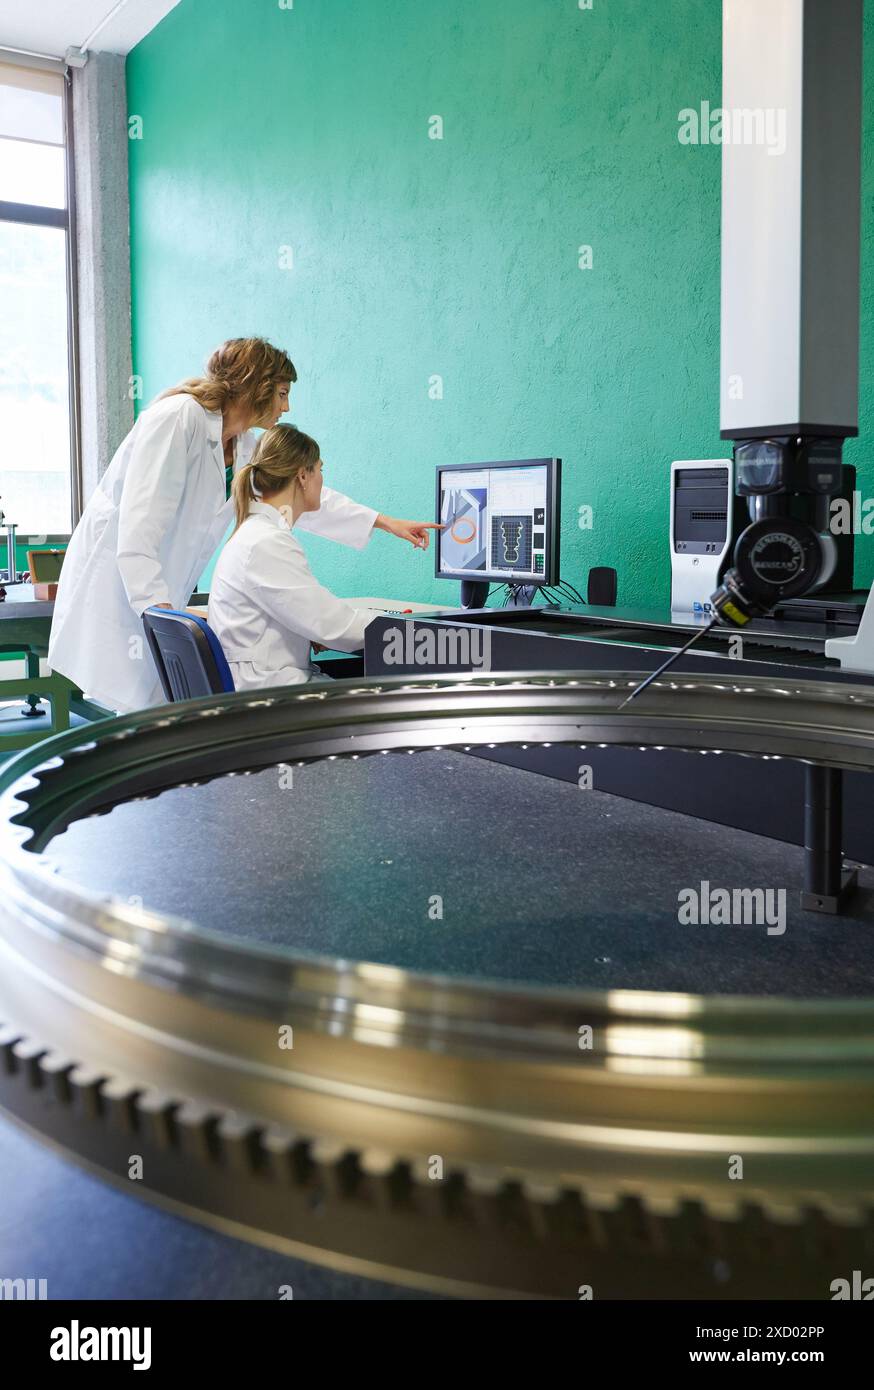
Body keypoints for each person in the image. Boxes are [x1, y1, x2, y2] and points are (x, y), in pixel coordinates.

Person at [48, 337, 438, 712]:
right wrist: (166, 618)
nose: (286, 407)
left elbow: (295, 489)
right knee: (140, 708)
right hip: (123, 587)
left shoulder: (244, 443)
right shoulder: (178, 417)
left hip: (161, 592)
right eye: (283, 393)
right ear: (257, 388)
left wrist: (383, 522)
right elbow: (139, 527)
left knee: (150, 713)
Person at [208, 424, 383, 688]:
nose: (322, 480)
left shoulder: (254, 534)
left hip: (262, 684)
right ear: (302, 476)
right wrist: (411, 633)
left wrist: (309, 632)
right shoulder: (266, 542)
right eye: (320, 470)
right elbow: (336, 626)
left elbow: (309, 617)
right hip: (270, 693)